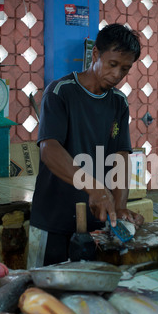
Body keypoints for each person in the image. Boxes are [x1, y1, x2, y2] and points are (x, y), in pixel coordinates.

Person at [28, 23, 144, 268]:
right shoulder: (60, 92)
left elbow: (121, 156)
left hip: (97, 225)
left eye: (125, 68)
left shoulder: (119, 103)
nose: (117, 74)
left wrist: (121, 205)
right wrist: (95, 188)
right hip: (54, 220)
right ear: (95, 55)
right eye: (112, 64)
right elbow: (49, 150)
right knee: (44, 294)